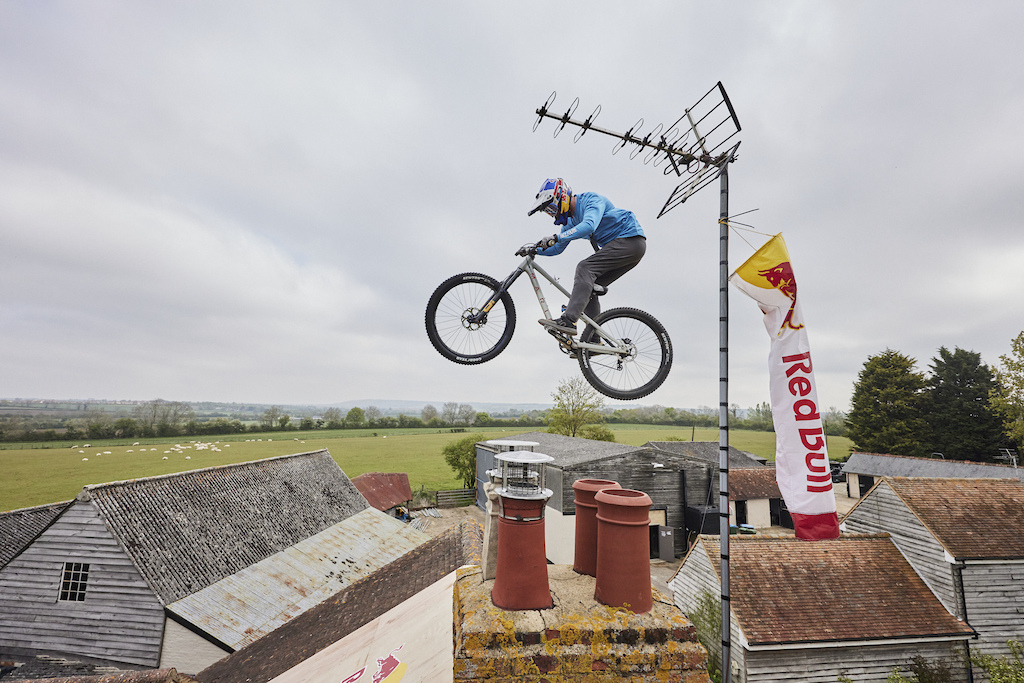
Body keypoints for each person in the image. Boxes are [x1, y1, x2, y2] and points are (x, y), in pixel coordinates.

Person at [526, 177, 646, 335]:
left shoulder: (591, 200)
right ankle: (593, 338)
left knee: (584, 268)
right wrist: (535, 250)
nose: (552, 214)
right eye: (548, 212)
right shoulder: (570, 222)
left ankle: (568, 320)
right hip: (625, 249)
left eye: (552, 208)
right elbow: (558, 248)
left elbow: (589, 225)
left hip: (630, 241)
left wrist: (556, 237)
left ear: (562, 196)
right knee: (588, 287)